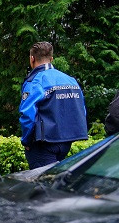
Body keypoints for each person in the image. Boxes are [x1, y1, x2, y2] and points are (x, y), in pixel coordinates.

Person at [19, 41, 87, 169]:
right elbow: (81, 109)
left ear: (32, 59)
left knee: (44, 184)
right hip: (66, 142)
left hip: (43, 144)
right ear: (51, 59)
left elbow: (27, 114)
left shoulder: (35, 81)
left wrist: (26, 140)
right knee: (56, 180)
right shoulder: (70, 80)